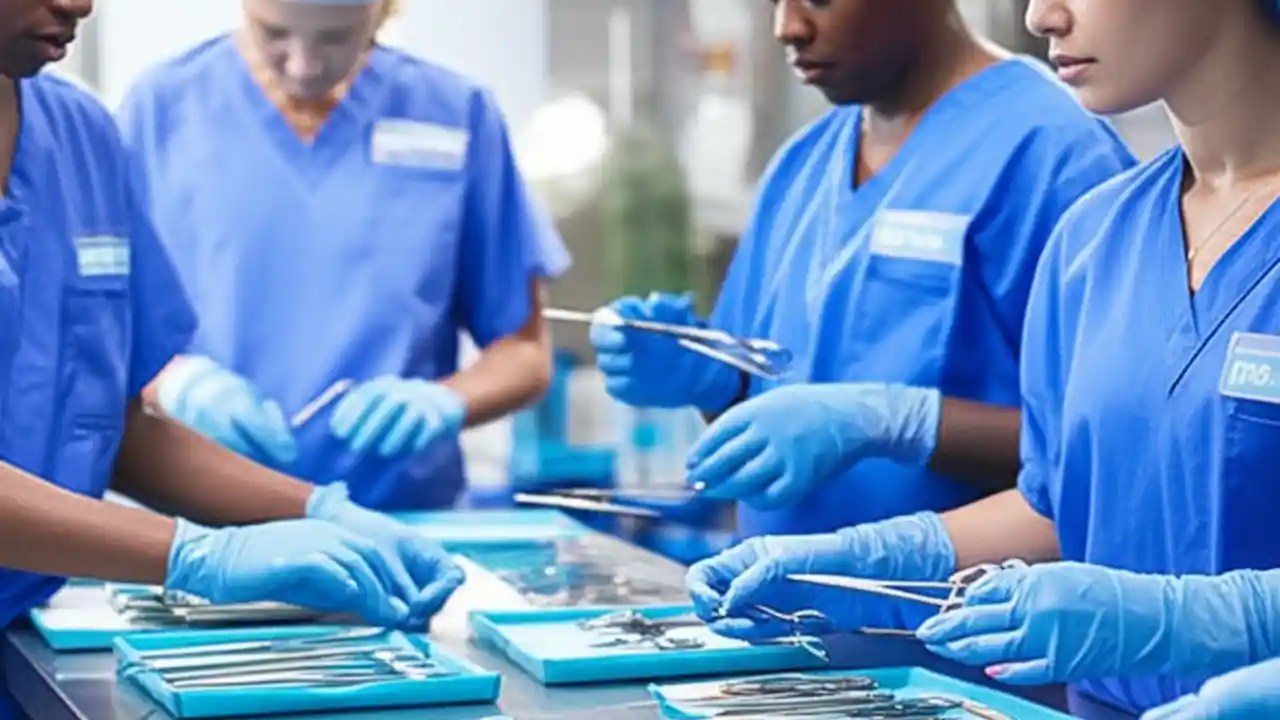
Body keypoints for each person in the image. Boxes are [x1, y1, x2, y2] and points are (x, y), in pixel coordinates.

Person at [686, 0, 1280, 714]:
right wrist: (865, 561)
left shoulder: (1050, 157)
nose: (1041, 15)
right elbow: (1062, 510)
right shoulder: (1093, 239)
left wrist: (1213, 623)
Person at [0, 1, 463, 714]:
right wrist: (197, 557)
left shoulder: (79, 137)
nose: (79, 3)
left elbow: (104, 426)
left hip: (22, 643)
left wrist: (315, 510)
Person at [590, 0, 1133, 537]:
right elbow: (776, 420)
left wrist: (893, 424)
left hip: (943, 613)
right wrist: (712, 386)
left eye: (819, 0)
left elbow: (1114, 452)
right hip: (777, 611)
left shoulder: (1056, 155)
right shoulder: (801, 166)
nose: (789, 28)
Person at [118, 0, 569, 511]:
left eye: (336, 38)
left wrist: (446, 401)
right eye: (275, 34)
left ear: (382, 11)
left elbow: (525, 352)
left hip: (399, 519)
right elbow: (98, 329)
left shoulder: (456, 114)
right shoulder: (161, 110)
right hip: (199, 521)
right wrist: (178, 384)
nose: (303, 64)